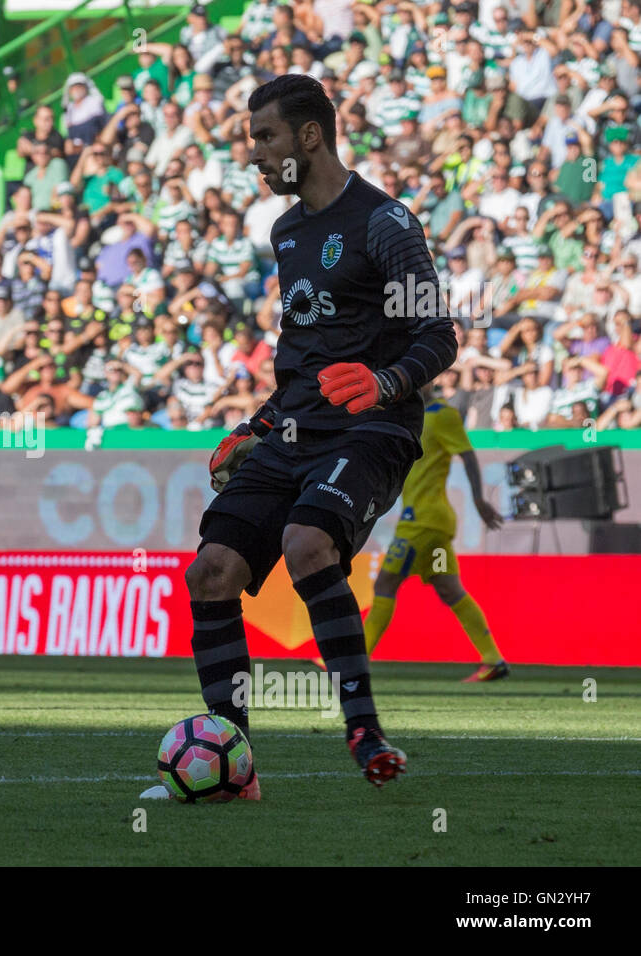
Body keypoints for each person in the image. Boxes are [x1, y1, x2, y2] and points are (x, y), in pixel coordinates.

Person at [174, 75, 458, 798]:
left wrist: (387, 382)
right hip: (296, 428)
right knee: (211, 571)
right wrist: (258, 424)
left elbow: (438, 335)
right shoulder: (288, 231)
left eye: (265, 139)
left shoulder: (385, 223)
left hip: (373, 429)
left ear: (309, 137)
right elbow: (301, 357)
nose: (256, 157)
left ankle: (363, 730)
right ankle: (232, 763)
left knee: (307, 543)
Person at [359, 385, 509, 682]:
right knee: (449, 588)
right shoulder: (413, 416)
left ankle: (355, 662)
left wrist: (479, 500)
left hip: (422, 523)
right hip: (432, 526)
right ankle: (493, 659)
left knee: (386, 584)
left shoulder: (442, 415)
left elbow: (466, 456)